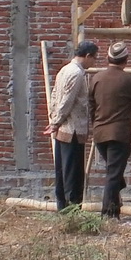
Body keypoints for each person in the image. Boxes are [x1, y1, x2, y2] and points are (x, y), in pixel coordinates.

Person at [87, 40, 131, 219]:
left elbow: (90, 106)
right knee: (113, 174)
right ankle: (109, 213)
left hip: (99, 133)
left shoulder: (96, 78)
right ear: (125, 59)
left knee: (113, 171)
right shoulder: (130, 80)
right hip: (119, 134)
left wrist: (96, 124)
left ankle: (115, 201)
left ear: (107, 58)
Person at [46, 40, 98, 210]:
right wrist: (56, 121)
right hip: (73, 129)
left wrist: (53, 119)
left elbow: (54, 96)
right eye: (94, 58)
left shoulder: (64, 70)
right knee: (72, 173)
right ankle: (72, 209)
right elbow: (67, 102)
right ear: (88, 56)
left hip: (63, 129)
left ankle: (63, 206)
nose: (94, 62)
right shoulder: (76, 73)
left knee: (62, 170)